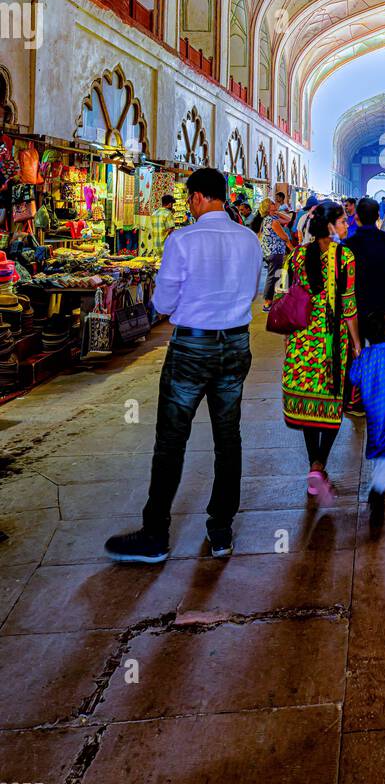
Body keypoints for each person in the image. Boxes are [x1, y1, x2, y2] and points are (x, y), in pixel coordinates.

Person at [105, 168, 262, 563]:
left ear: (195, 198)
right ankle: (221, 530)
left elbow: (163, 304)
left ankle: (155, 534)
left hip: (192, 347)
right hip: (236, 343)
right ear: (223, 197)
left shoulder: (183, 239)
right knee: (229, 438)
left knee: (172, 440)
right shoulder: (248, 239)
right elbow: (255, 291)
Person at [282, 202, 361, 503]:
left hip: (302, 342)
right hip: (333, 342)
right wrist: (356, 344)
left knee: (310, 406)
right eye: (342, 221)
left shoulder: (297, 255)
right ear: (329, 226)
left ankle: (313, 461)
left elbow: (290, 298)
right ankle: (319, 465)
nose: (346, 226)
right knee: (332, 402)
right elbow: (349, 305)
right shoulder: (345, 256)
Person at [347, 311, 385, 535]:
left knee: (379, 452)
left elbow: (353, 377)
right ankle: (378, 491)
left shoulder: (365, 358)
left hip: (373, 417)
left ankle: (376, 486)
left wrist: (357, 352)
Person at [345, 196, 385, 333]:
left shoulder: (348, 244)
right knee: (380, 347)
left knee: (357, 347)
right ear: (377, 216)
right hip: (382, 303)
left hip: (357, 304)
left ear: (357, 217)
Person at [260, 201, 293, 310]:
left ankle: (274, 300)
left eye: (275, 209)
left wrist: (278, 212)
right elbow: (284, 236)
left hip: (270, 252)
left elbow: (288, 219)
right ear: (267, 210)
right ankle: (267, 302)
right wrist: (289, 243)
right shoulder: (272, 221)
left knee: (276, 275)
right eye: (272, 209)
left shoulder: (268, 219)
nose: (274, 211)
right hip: (275, 252)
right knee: (273, 277)